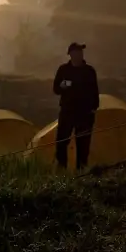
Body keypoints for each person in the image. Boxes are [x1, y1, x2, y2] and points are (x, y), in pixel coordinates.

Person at [52, 42, 100, 170]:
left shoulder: (89, 71)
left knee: (83, 144)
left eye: (81, 52)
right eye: (77, 52)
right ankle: (61, 169)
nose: (80, 54)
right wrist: (63, 86)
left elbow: (95, 91)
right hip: (67, 111)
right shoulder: (63, 70)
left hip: (85, 113)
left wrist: (93, 109)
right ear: (71, 54)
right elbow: (56, 89)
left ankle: (81, 172)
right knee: (61, 141)